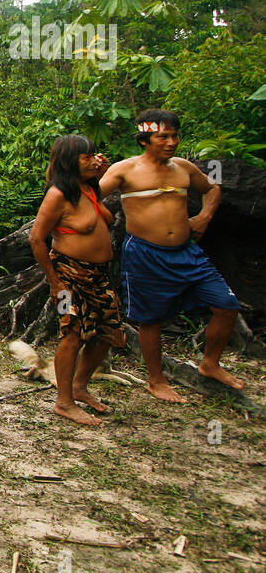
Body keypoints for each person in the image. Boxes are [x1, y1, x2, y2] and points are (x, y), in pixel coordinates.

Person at [97, 110, 243, 401]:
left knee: (227, 305)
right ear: (144, 140)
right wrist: (106, 218)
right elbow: (85, 197)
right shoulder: (124, 170)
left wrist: (204, 217)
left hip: (187, 252)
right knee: (151, 319)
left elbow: (212, 188)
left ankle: (210, 363)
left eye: (174, 135)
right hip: (144, 254)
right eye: (162, 136)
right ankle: (156, 379)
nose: (171, 142)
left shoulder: (183, 168)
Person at [30, 135, 127, 426]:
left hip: (98, 276)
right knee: (71, 335)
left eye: (94, 156)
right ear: (69, 162)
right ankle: (63, 402)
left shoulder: (89, 189)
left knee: (109, 332)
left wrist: (98, 173)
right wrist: (54, 282)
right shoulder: (58, 194)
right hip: (67, 276)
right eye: (86, 157)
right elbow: (36, 238)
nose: (94, 160)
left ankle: (79, 386)